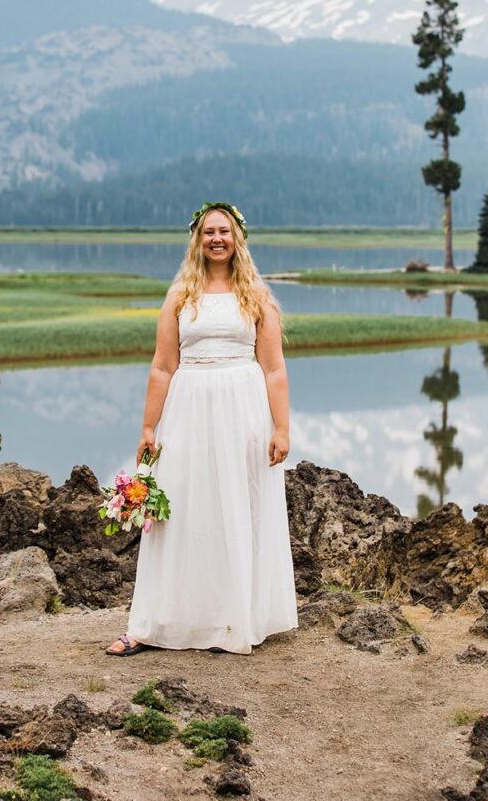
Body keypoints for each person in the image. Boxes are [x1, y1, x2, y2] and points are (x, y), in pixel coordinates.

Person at [105, 201, 298, 656]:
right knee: (183, 510)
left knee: (236, 506)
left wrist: (282, 428)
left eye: (224, 232)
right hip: (188, 407)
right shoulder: (179, 296)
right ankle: (150, 624)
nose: (216, 239)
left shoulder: (257, 296)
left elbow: (273, 369)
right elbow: (162, 365)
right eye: (209, 231)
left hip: (243, 409)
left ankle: (232, 620)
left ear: (237, 239)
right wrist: (148, 427)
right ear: (197, 239)